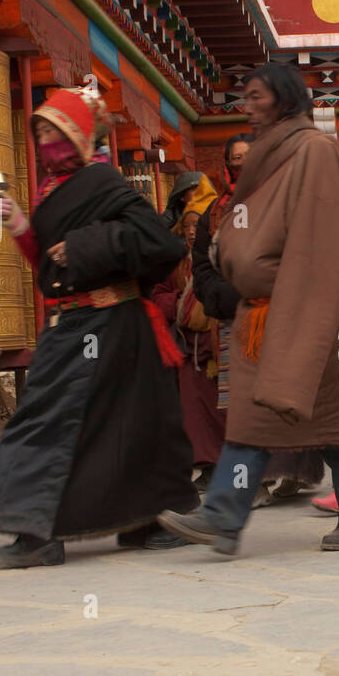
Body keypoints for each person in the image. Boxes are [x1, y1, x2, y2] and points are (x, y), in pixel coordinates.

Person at [160, 62, 339, 554]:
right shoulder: (268, 157)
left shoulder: (314, 151)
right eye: (245, 95)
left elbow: (331, 239)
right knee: (252, 420)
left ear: (285, 97)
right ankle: (225, 516)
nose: (248, 104)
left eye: (257, 95)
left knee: (338, 420)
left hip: (319, 310)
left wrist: (297, 298)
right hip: (261, 316)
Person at [0, 87, 199, 565]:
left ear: (77, 136)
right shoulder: (51, 190)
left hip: (114, 320)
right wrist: (21, 228)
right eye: (38, 132)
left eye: (53, 132)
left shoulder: (103, 182)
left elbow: (160, 243)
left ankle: (75, 530)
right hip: (71, 323)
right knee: (86, 423)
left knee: (121, 425)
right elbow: (50, 269)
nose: (44, 142)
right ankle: (68, 526)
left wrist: (87, 246)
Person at [189, 134, 325, 504]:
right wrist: (234, 296)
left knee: (291, 398)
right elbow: (203, 269)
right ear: (227, 166)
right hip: (238, 322)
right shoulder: (215, 214)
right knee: (246, 405)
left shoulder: (287, 204)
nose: (244, 166)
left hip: (286, 317)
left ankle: (297, 470)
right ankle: (255, 483)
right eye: (236, 160)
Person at [153, 174, 222, 491]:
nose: (193, 230)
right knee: (194, 411)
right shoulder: (177, 261)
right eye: (189, 225)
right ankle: (207, 464)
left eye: (199, 225)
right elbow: (158, 293)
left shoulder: (219, 258)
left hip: (217, 344)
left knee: (222, 407)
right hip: (188, 347)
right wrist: (181, 304)